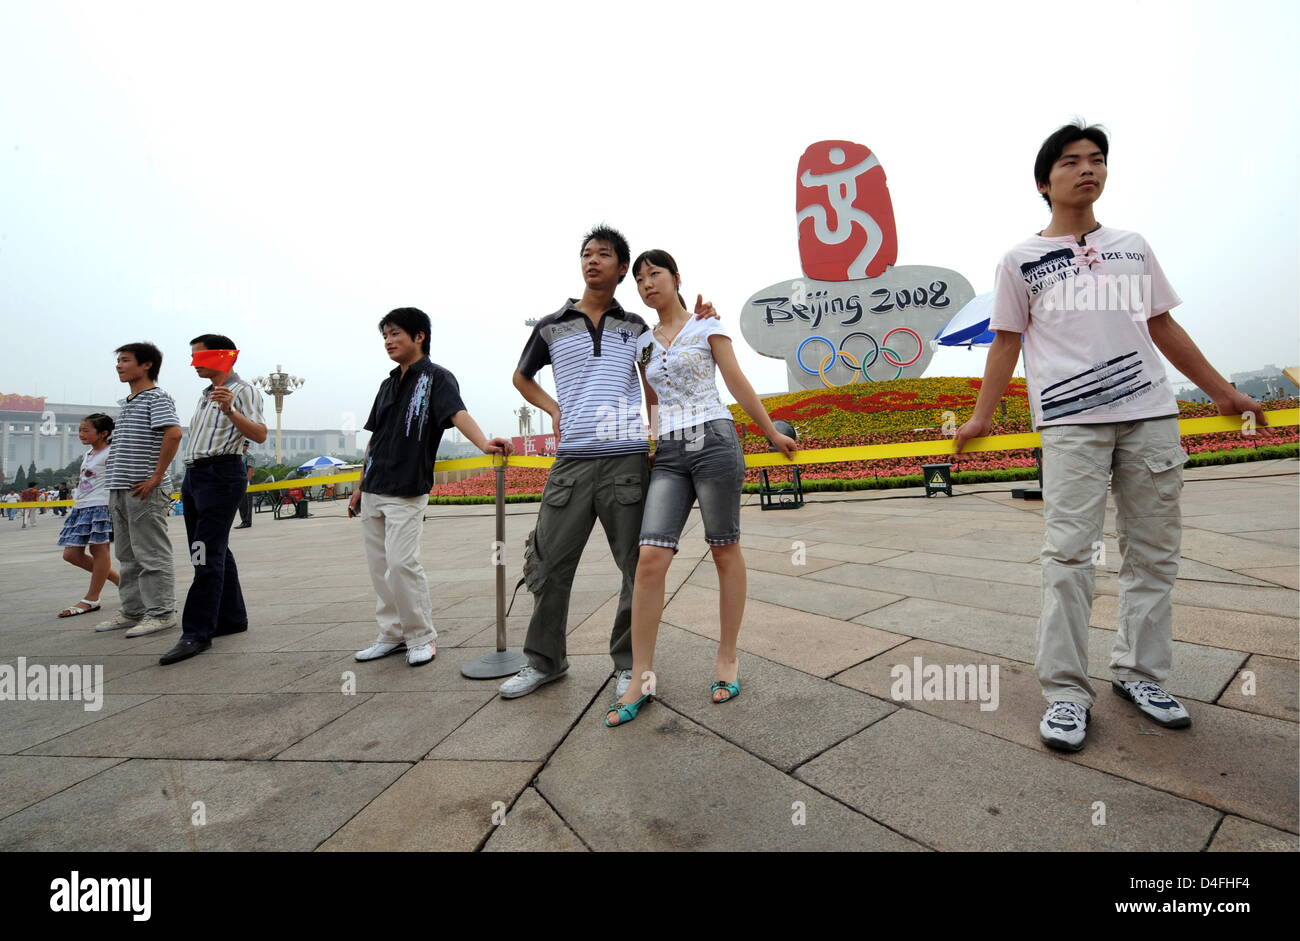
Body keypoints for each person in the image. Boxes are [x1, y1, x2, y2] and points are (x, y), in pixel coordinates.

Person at [954, 121, 1267, 753]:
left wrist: (1223, 394)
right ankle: (1066, 693)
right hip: (1071, 425)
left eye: (1097, 159)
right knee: (1069, 558)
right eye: (1071, 162)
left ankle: (1142, 675)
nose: (1087, 169)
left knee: (1153, 553)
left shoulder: (1132, 246)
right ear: (1045, 182)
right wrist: (982, 417)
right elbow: (1006, 342)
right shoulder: (1020, 260)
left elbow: (1163, 327)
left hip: (1149, 414)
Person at [500, 225, 719, 700]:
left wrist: (657, 429)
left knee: (634, 568)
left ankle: (628, 663)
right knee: (549, 563)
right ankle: (544, 661)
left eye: (604, 255)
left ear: (623, 268)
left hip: (626, 461)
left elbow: (655, 379)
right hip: (572, 463)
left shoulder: (637, 328)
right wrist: (554, 409)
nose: (592, 260)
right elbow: (521, 377)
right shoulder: (551, 325)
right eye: (586, 254)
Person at [604, 250, 796, 726]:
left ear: (675, 278)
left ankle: (727, 656)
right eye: (640, 279)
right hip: (668, 453)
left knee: (724, 550)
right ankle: (641, 676)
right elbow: (652, 399)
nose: (648, 283)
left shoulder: (707, 326)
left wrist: (771, 431)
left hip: (713, 439)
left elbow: (735, 380)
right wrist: (650, 440)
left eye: (655, 274)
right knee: (650, 558)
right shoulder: (643, 345)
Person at [349, 307, 510, 668]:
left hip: (407, 488)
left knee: (402, 562)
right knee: (379, 567)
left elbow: (457, 414)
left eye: (395, 334)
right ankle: (390, 634)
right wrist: (360, 485)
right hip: (374, 486)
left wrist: (484, 443)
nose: (389, 341)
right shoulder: (388, 383)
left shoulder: (437, 378)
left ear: (419, 336)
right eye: (385, 336)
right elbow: (375, 438)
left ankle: (421, 636)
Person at [158, 335, 268, 666]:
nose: (193, 362)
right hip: (196, 476)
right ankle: (231, 618)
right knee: (210, 548)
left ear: (223, 356)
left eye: (198, 356)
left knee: (204, 554)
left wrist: (230, 410)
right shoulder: (205, 394)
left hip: (221, 474)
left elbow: (260, 434)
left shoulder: (243, 391)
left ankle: (196, 632)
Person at [96, 342, 183, 638]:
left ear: (146, 365)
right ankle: (132, 611)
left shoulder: (156, 398)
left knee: (151, 553)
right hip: (120, 488)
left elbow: (173, 433)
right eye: (118, 361)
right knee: (127, 555)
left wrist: (157, 476)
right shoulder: (129, 403)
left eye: (125, 360)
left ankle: (161, 612)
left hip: (144, 488)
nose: (119, 366)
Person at [55, 414, 121, 618]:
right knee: (71, 555)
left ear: (103, 433)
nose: (81, 434)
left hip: (100, 505)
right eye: (80, 430)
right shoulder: (89, 453)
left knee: (100, 551)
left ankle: (91, 599)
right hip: (82, 507)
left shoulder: (112, 452)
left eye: (86, 430)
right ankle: (123, 582)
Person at [236, 441, 254, 528]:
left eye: (246, 445)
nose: (245, 447)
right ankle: (243, 520)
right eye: (244, 445)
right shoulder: (237, 456)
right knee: (241, 503)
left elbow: (250, 470)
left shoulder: (249, 456)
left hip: (246, 482)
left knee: (247, 503)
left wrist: (247, 482)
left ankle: (247, 521)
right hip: (239, 481)